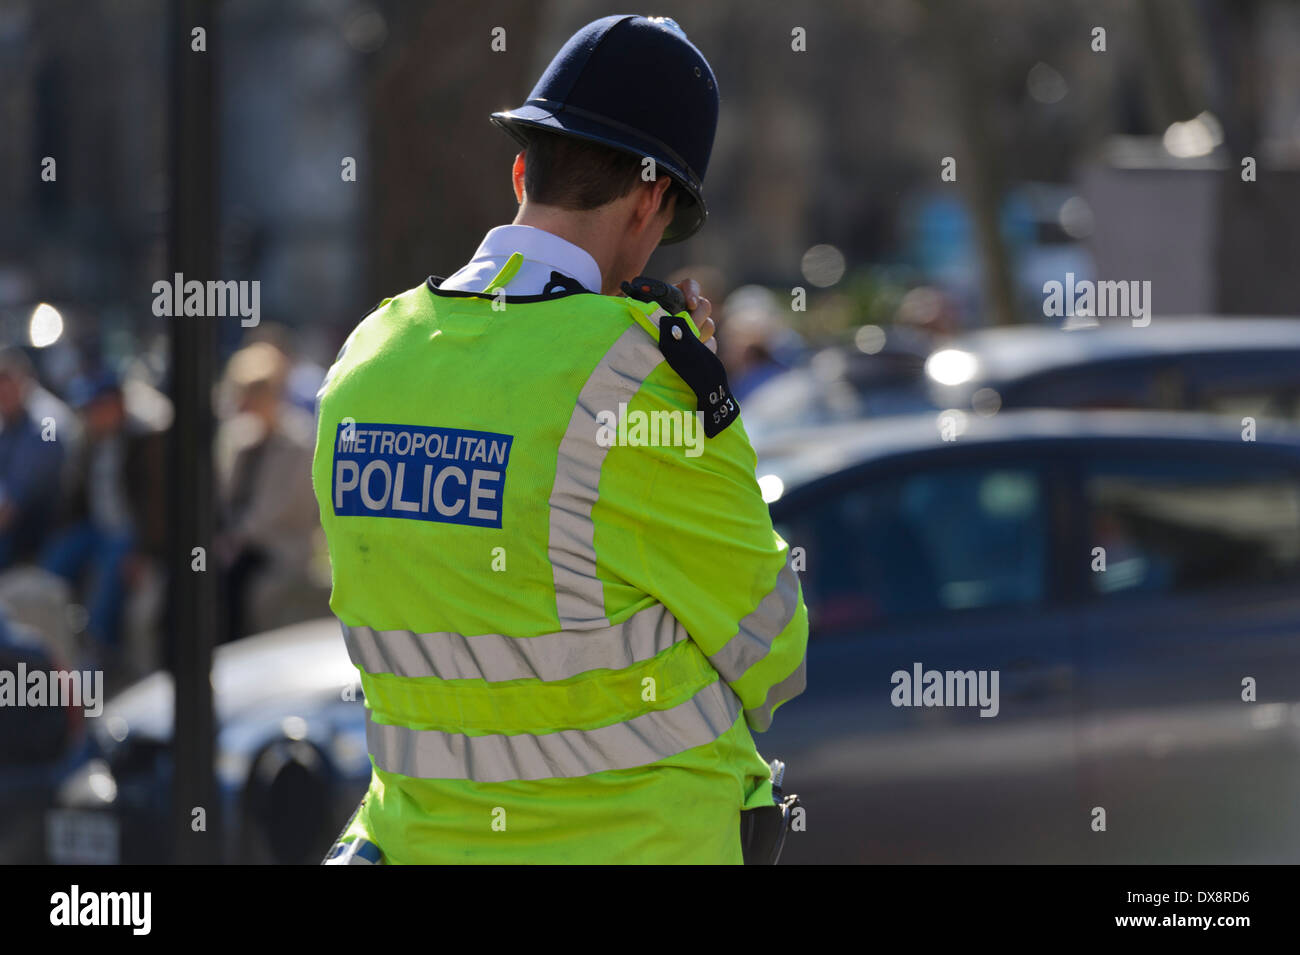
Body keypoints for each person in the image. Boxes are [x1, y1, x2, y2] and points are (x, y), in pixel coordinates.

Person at [314, 14, 807, 864]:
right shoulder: (645, 376)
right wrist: (696, 388)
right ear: (652, 199)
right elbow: (771, 649)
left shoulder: (367, 357)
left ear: (520, 170)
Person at [215, 342, 325, 641]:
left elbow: (286, 510)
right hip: (241, 546)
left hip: (279, 548)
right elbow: (227, 497)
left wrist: (238, 537)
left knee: (234, 585)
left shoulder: (299, 443)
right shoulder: (241, 440)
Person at [0, 348, 65, 570]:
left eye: (9, 382)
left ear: (25, 382)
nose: (3, 391)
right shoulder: (8, 422)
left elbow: (14, 506)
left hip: (40, 526)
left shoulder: (46, 422)